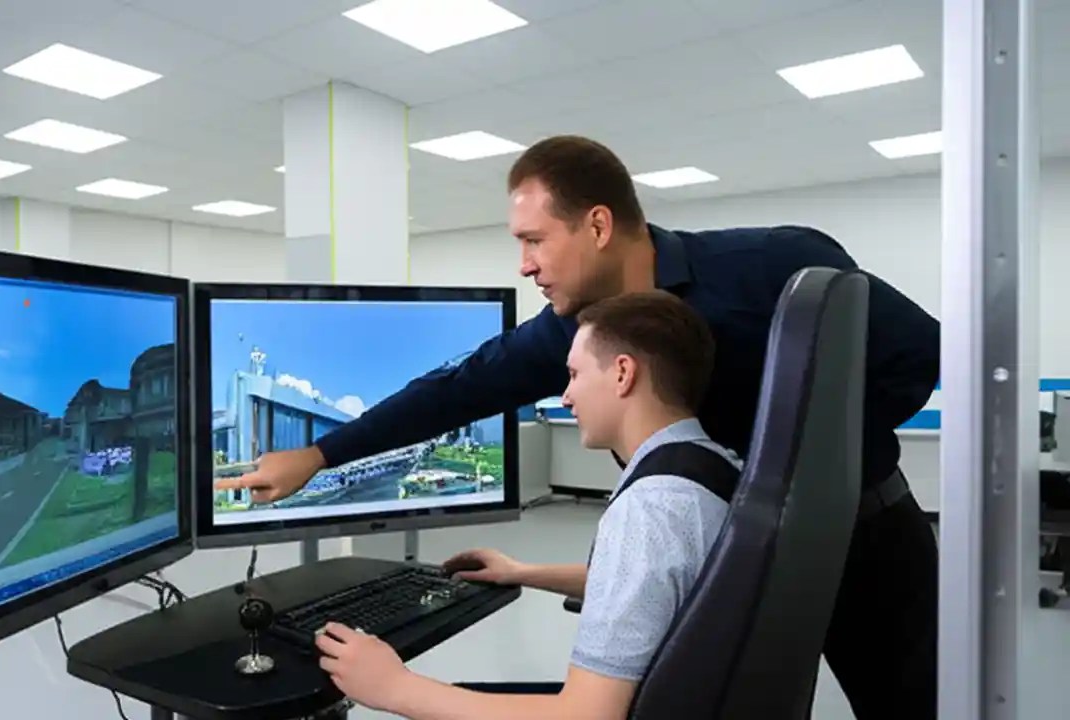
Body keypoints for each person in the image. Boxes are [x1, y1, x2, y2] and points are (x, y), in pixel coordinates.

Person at [216, 135, 941, 718]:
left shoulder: (773, 266)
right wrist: (320, 450)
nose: (525, 266)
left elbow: (917, 357)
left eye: (534, 241)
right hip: (736, 541)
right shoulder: (571, 330)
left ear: (597, 224)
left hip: (868, 537)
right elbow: (457, 388)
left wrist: (801, 475)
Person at [315, 291, 740, 718]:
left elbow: (587, 716)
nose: (567, 396)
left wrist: (394, 687)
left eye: (574, 375)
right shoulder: (711, 467)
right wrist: (522, 573)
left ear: (623, 374)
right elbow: (654, 586)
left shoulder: (651, 508)